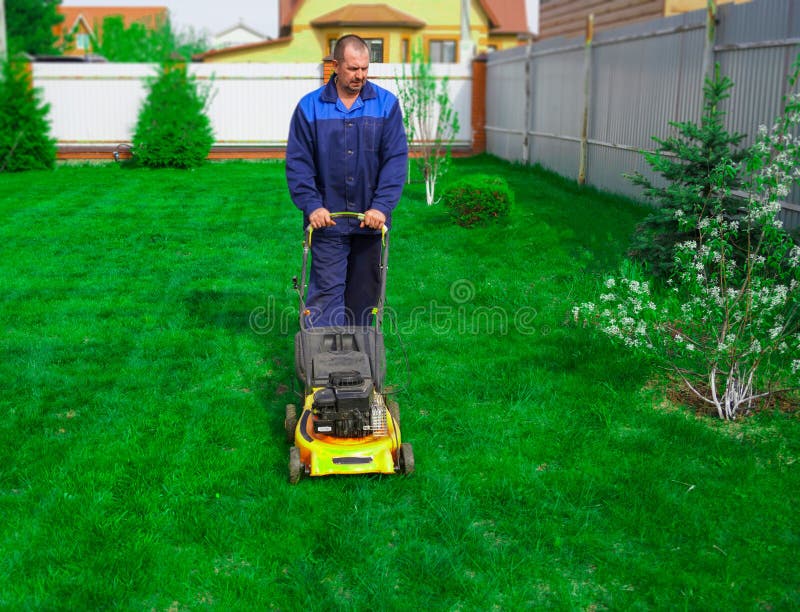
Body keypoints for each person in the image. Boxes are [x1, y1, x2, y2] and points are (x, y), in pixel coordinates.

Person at [286, 34, 408, 327]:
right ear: (336, 65)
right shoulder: (309, 108)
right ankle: (323, 364)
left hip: (370, 222)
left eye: (365, 68)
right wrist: (312, 206)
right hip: (327, 222)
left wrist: (381, 207)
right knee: (326, 294)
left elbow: (395, 161)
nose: (360, 75)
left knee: (364, 297)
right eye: (353, 69)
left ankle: (359, 361)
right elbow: (299, 164)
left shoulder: (386, 105)